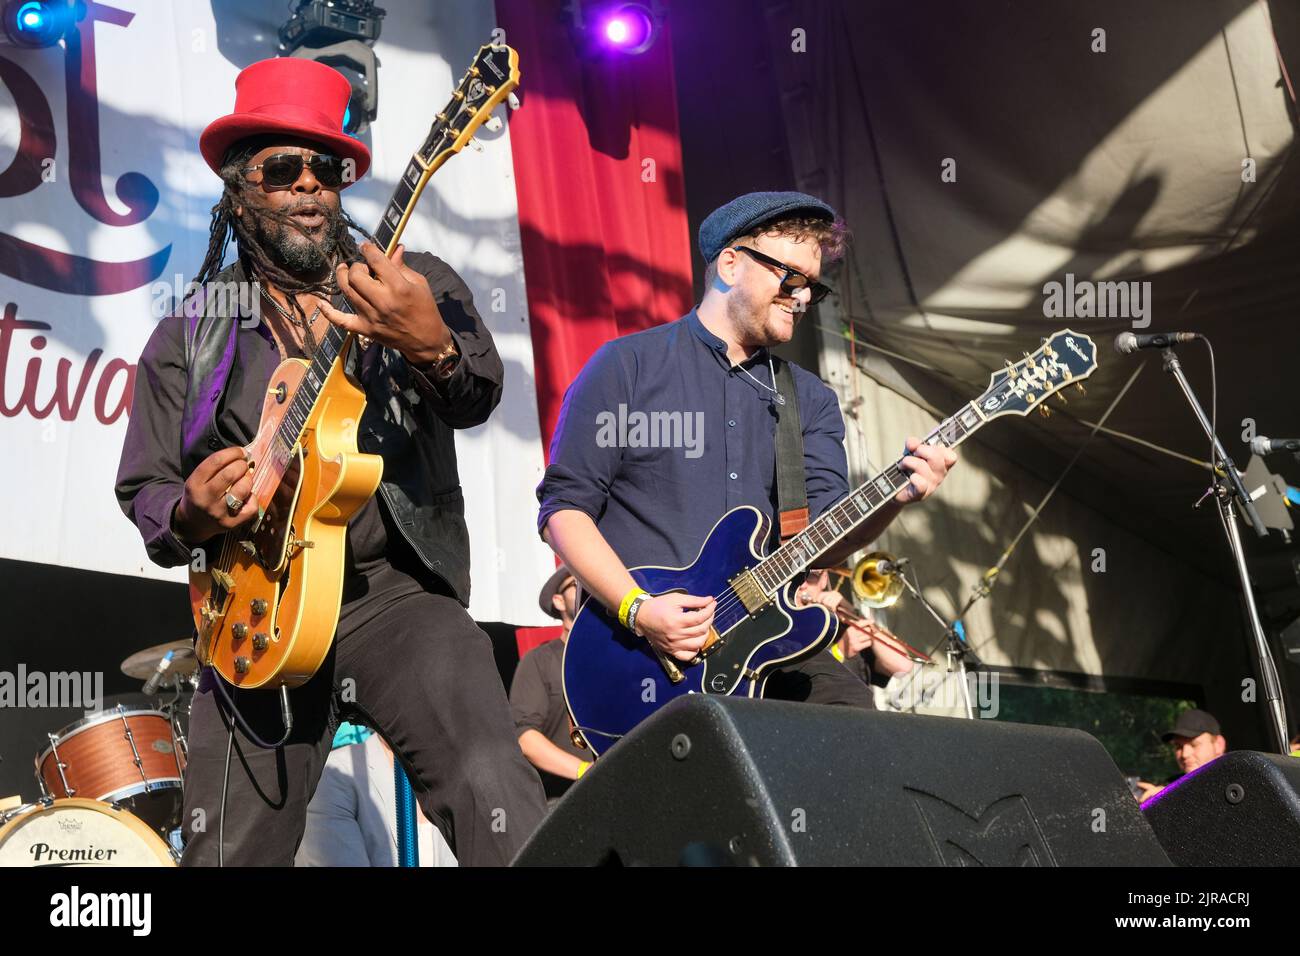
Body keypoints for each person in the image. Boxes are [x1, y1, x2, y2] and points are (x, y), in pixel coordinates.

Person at [114, 57, 545, 866]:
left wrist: (434, 349)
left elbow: (475, 396)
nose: (311, 186)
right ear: (240, 190)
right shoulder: (191, 336)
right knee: (224, 848)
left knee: (494, 783)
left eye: (329, 168)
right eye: (284, 170)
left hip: (395, 596)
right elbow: (146, 487)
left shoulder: (407, 283)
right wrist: (188, 513)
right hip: (256, 613)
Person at [537, 190, 956, 709]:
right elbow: (564, 509)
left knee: (850, 717)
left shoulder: (811, 402)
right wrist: (639, 611)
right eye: (791, 278)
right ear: (731, 264)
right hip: (636, 653)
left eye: (812, 288)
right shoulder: (627, 367)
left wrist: (897, 496)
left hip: (765, 638)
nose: (803, 298)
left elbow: (826, 539)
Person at [510, 566, 592, 801]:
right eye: (577, 585)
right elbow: (524, 736)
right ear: (558, 600)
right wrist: (585, 771)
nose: (585, 590)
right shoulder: (538, 661)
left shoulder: (616, 656)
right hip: (563, 802)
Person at [795, 568, 916, 688]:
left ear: (824, 579)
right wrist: (838, 652)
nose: (802, 585)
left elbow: (903, 667)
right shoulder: (783, 629)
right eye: (795, 576)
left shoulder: (843, 625)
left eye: (811, 576)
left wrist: (855, 615)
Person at [1135, 708, 1227, 799]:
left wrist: (1169, 801)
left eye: (1194, 744)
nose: (1184, 754)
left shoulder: (1236, 778)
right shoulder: (1172, 785)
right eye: (1178, 747)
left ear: (1218, 745)